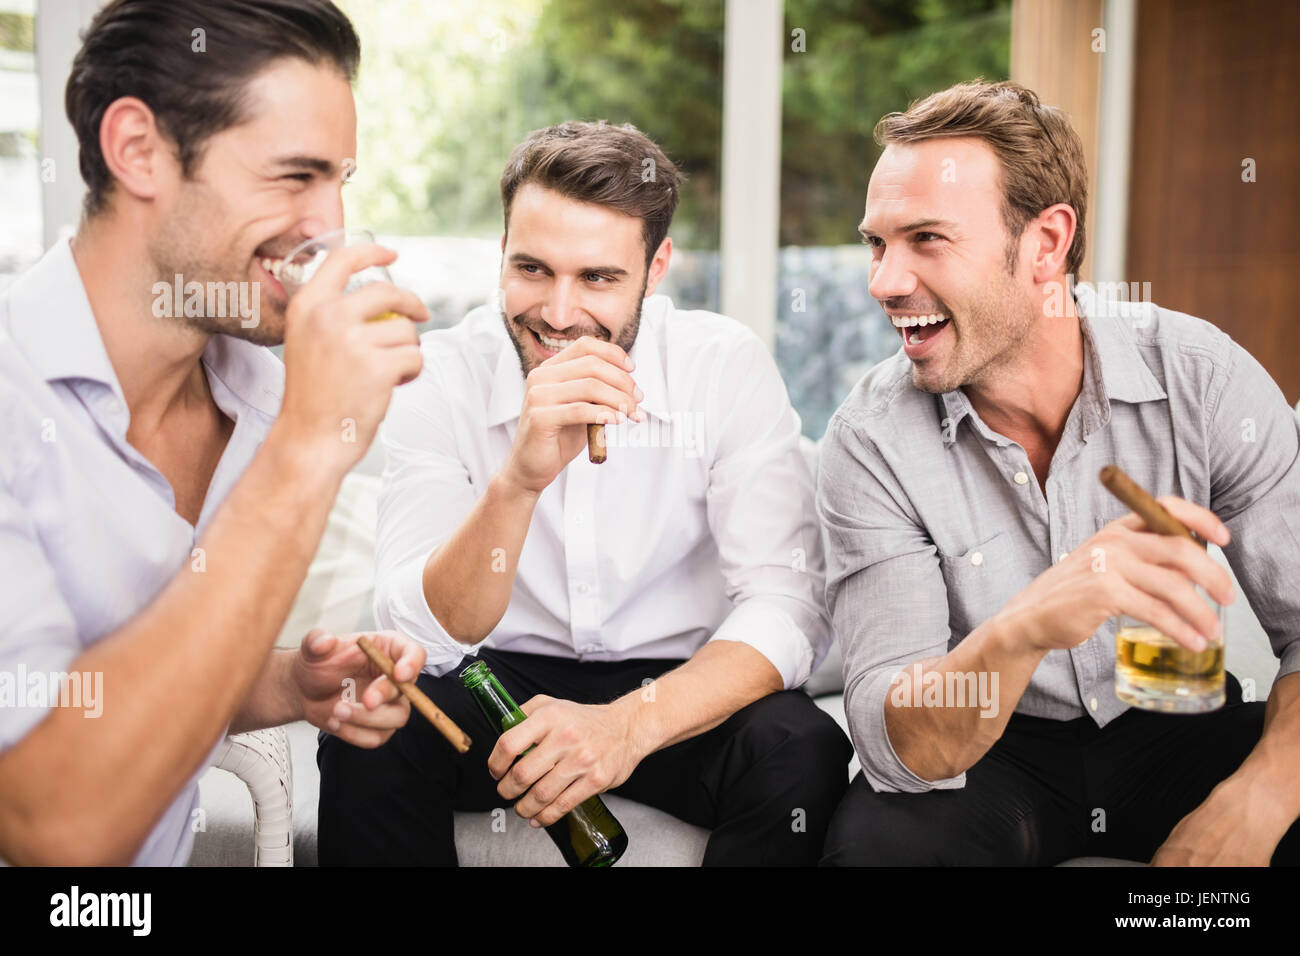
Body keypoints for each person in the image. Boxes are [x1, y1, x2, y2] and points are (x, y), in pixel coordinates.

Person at [317, 120, 851, 866]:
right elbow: (419, 634)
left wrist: (627, 726)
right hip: (495, 680)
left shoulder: (722, 366)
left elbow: (788, 606)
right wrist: (519, 481)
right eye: (532, 269)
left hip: (677, 685)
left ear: (656, 269)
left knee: (801, 748)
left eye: (598, 278)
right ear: (502, 252)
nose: (559, 313)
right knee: (371, 724)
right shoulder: (441, 375)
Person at [817, 80, 1300, 866]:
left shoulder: (1202, 380)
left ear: (1046, 242)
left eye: (927, 239)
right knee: (876, 848)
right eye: (878, 243)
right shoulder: (869, 442)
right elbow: (898, 740)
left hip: (1180, 723)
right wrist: (1026, 626)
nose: (885, 282)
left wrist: (1265, 795)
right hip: (993, 745)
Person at [0, 0, 429, 865]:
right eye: (294, 176)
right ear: (138, 150)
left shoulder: (258, 391)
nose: (328, 226)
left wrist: (287, 686)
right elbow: (52, 823)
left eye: (339, 181)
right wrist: (307, 452)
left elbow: (138, 686)